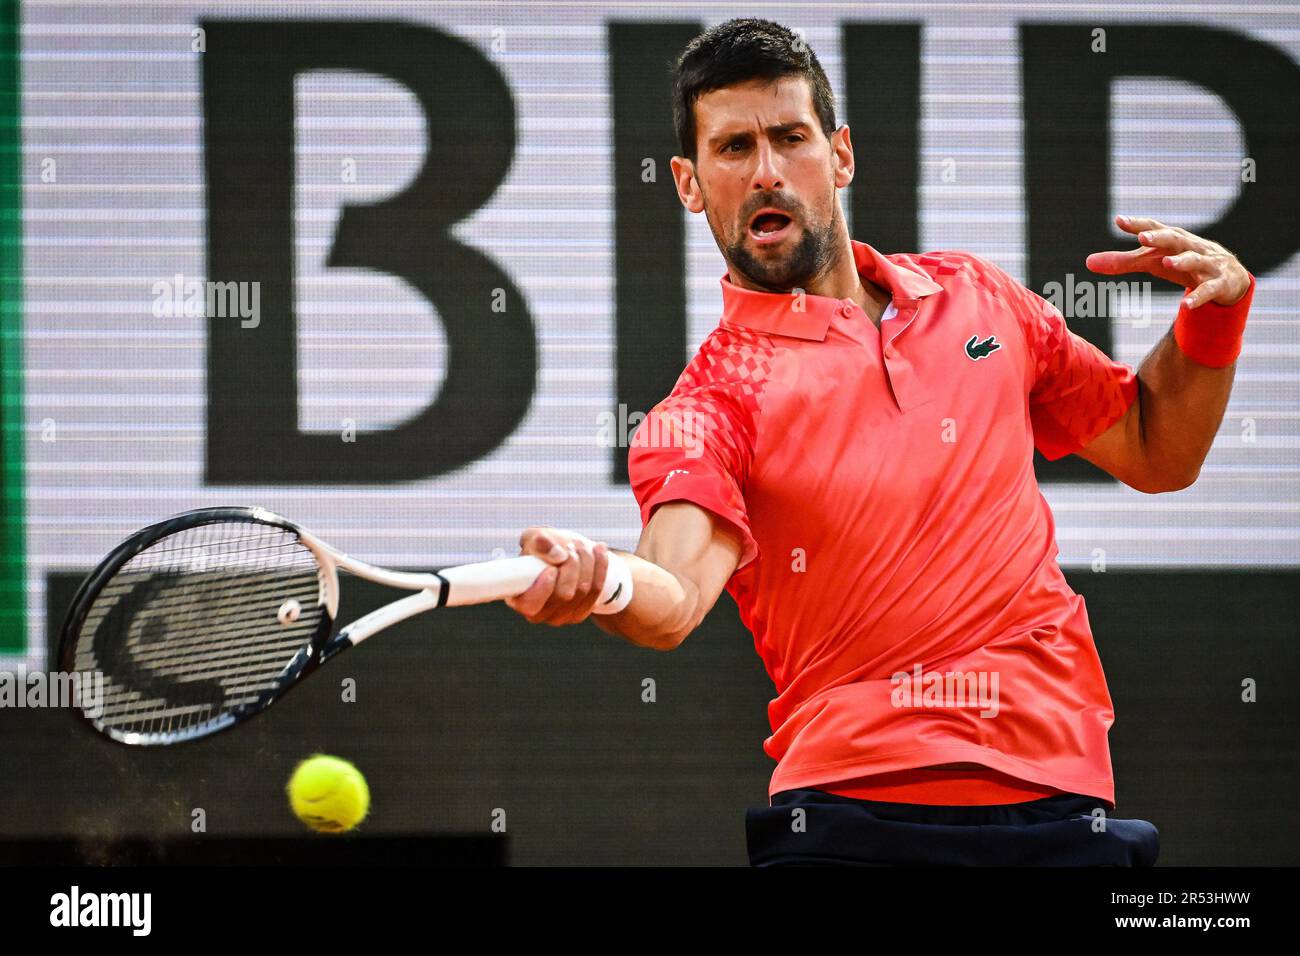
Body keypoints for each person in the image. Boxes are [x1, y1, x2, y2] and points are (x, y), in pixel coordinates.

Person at [505, 18, 1254, 866]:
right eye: (732, 148)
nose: (765, 172)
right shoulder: (710, 403)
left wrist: (1215, 318)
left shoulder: (980, 300)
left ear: (842, 155)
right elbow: (673, 595)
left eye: (791, 138)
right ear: (688, 181)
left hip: (1060, 799)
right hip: (852, 821)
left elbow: (1159, 448)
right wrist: (602, 580)